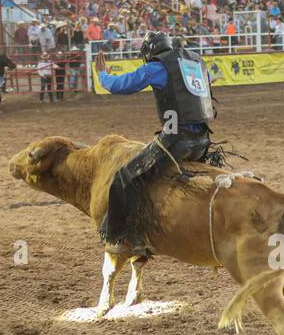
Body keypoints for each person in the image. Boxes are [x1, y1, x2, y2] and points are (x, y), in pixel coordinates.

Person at [91, 30, 218, 254]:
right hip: (203, 141)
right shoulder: (194, 62)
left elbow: (121, 85)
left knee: (123, 178)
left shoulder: (157, 67)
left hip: (176, 141)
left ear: (150, 52)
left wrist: (102, 75)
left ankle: (123, 238)